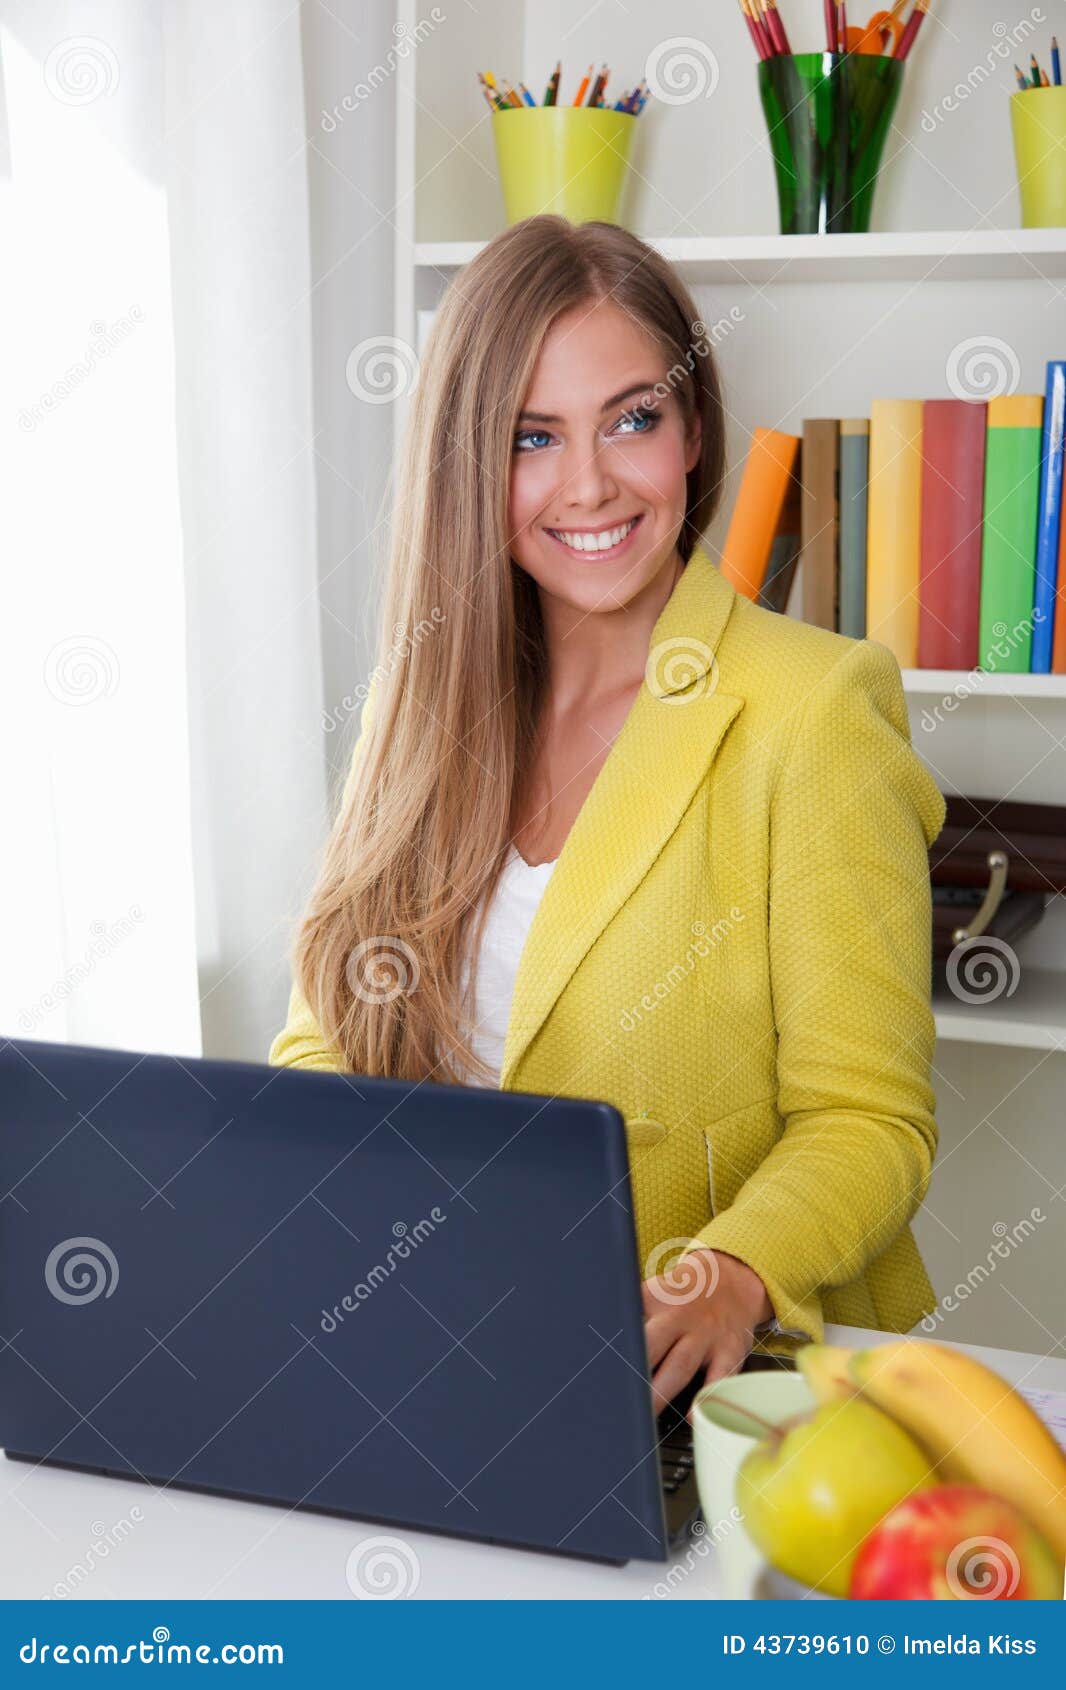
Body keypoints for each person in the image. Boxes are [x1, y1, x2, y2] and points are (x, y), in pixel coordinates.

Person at [269, 215, 946, 1412]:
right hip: (442, 1353)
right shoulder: (414, 702)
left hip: (723, 1394)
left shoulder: (811, 711)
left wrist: (734, 1271)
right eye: (532, 437)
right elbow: (325, 1038)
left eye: (633, 417)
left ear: (693, 431)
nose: (589, 484)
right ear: (469, 464)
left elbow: (868, 1117)